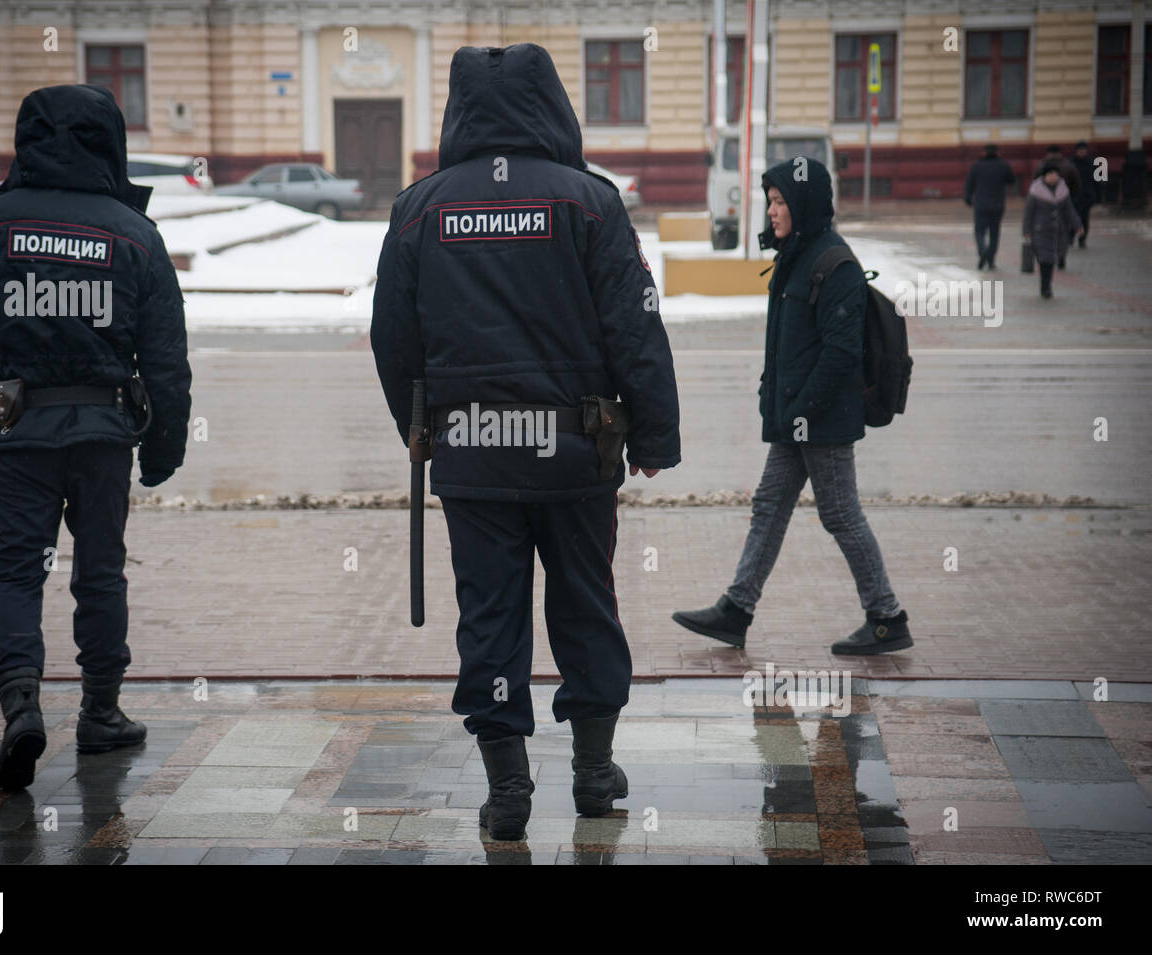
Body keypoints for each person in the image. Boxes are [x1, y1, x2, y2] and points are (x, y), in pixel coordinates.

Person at [371, 44, 680, 841]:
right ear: (552, 103)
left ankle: (507, 786)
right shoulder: (589, 203)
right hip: (575, 458)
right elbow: (636, 328)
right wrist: (654, 433)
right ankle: (591, 771)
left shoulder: (419, 208)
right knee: (586, 605)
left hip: (472, 459)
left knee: (490, 616)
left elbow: (391, 339)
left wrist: (420, 428)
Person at [0, 85, 192, 790]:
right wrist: (165, 445)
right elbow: (166, 355)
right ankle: (100, 712)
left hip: (19, 426)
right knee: (99, 572)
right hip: (103, 430)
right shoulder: (132, 233)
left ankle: (21, 701)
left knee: (15, 569)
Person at [671, 156, 911, 656]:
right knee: (770, 505)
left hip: (819, 419)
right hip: (793, 417)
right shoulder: (795, 256)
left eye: (780, 202)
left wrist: (802, 409)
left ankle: (886, 617)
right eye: (770, 201)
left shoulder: (834, 264)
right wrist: (775, 400)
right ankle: (737, 609)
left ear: (804, 204)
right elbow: (786, 346)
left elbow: (841, 353)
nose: (772, 211)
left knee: (841, 513)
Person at [1023, 161, 1083, 299]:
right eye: (1050, 174)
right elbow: (1028, 212)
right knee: (1045, 259)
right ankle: (1045, 287)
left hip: (1058, 231)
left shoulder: (1063, 191)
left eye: (1055, 174)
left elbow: (1070, 210)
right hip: (1040, 231)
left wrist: (1078, 225)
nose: (1053, 176)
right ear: (1044, 176)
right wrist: (1026, 230)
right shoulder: (1036, 191)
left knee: (1052, 259)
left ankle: (1046, 285)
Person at [963, 143, 1016, 270]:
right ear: (997, 152)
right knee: (994, 233)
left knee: (979, 232)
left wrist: (968, 199)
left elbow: (969, 184)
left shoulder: (977, 166)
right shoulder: (1003, 165)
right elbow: (1012, 180)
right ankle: (991, 260)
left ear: (984, 152)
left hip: (980, 204)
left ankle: (982, 252)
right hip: (998, 205)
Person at [1033, 145, 1081, 266]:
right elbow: (1076, 185)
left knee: (1047, 236)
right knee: (1062, 234)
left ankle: (1047, 258)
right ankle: (1061, 257)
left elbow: (1034, 186)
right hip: (1063, 205)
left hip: (1044, 210)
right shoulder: (1069, 166)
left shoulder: (1041, 166)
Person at [1071, 140, 1098, 248]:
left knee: (1085, 219)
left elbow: (1096, 182)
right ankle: (1071, 237)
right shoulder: (1071, 163)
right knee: (1073, 218)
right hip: (1074, 196)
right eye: (1079, 150)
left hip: (1087, 197)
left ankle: (1082, 239)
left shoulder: (1092, 163)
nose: (1081, 152)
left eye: (1083, 150)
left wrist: (1096, 197)